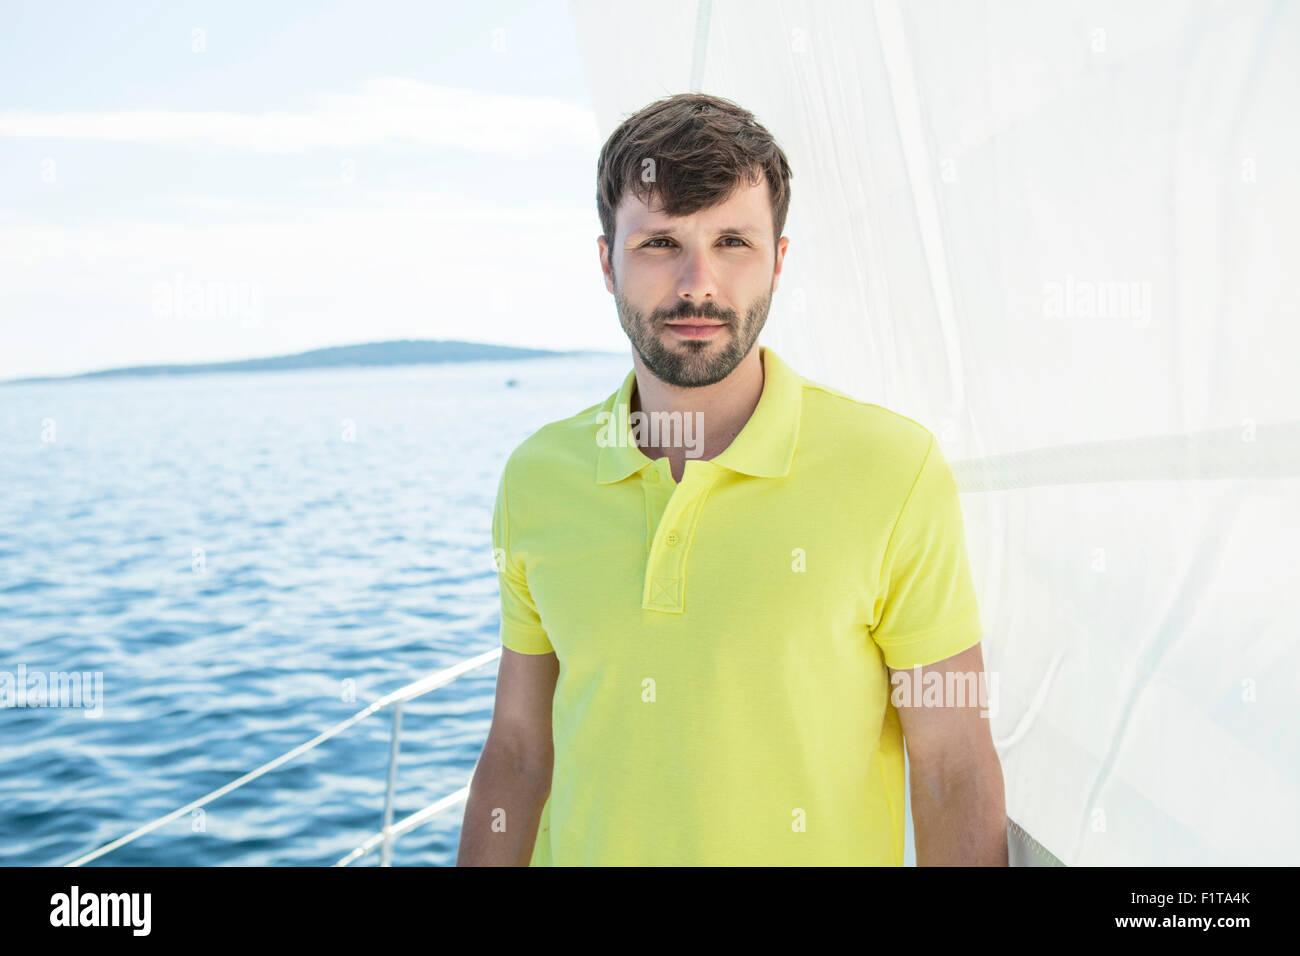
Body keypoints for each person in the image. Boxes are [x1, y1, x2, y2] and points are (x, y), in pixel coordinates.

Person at [457, 92, 1006, 866]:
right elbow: (518, 750)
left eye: (733, 242)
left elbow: (952, 764)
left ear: (778, 261)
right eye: (659, 244)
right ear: (606, 262)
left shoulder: (892, 470)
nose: (697, 283)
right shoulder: (538, 477)